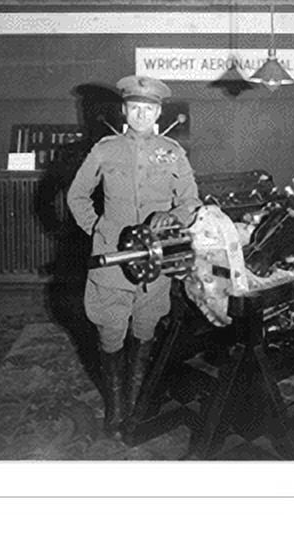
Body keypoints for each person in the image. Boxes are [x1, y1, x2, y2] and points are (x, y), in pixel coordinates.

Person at [67, 75, 201, 436]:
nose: (142, 114)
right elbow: (76, 197)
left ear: (158, 112)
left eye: (149, 108)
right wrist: (99, 230)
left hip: (155, 263)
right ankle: (115, 407)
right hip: (111, 263)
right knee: (110, 333)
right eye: (135, 107)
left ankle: (136, 404)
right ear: (125, 110)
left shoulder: (172, 151)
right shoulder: (105, 149)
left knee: (145, 331)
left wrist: (171, 218)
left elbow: (191, 201)